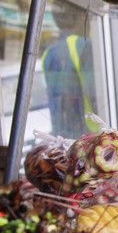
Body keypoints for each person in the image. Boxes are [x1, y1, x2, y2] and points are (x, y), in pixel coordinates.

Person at [42, 8, 98, 139]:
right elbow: (96, 96)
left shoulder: (48, 53)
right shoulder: (84, 46)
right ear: (77, 18)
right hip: (89, 136)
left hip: (62, 136)